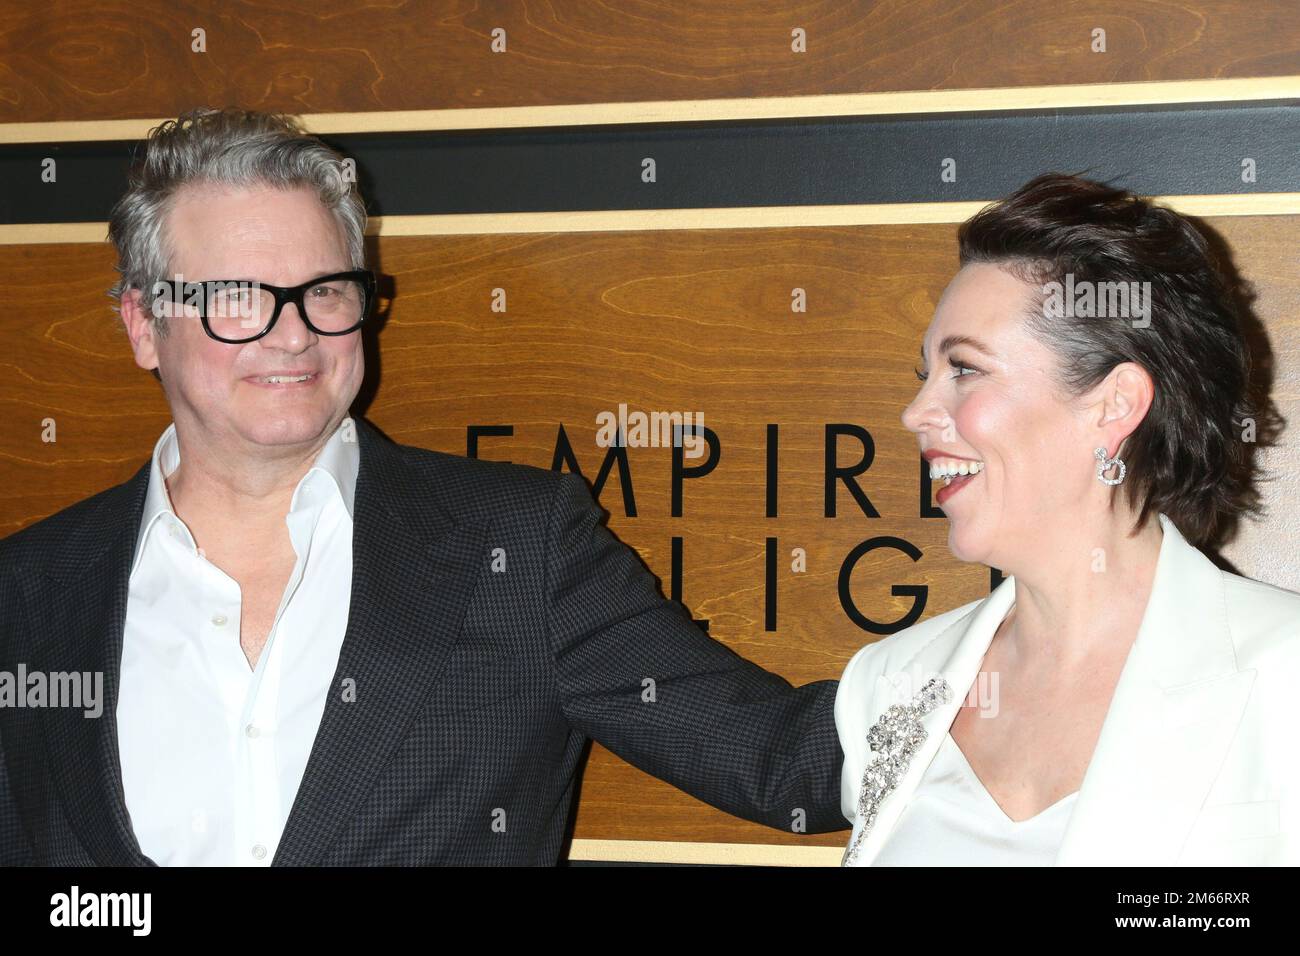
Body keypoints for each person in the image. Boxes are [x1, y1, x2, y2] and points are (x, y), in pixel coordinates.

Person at [0, 107, 844, 866]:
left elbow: (781, 759)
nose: (293, 335)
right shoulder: (27, 594)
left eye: (326, 291)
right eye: (236, 297)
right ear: (144, 324)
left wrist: (983, 660)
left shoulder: (518, 548)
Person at [837, 173, 1300, 866]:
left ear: (1113, 406)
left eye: (963, 369)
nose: (915, 413)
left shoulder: (1283, 677)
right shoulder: (887, 681)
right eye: (925, 373)